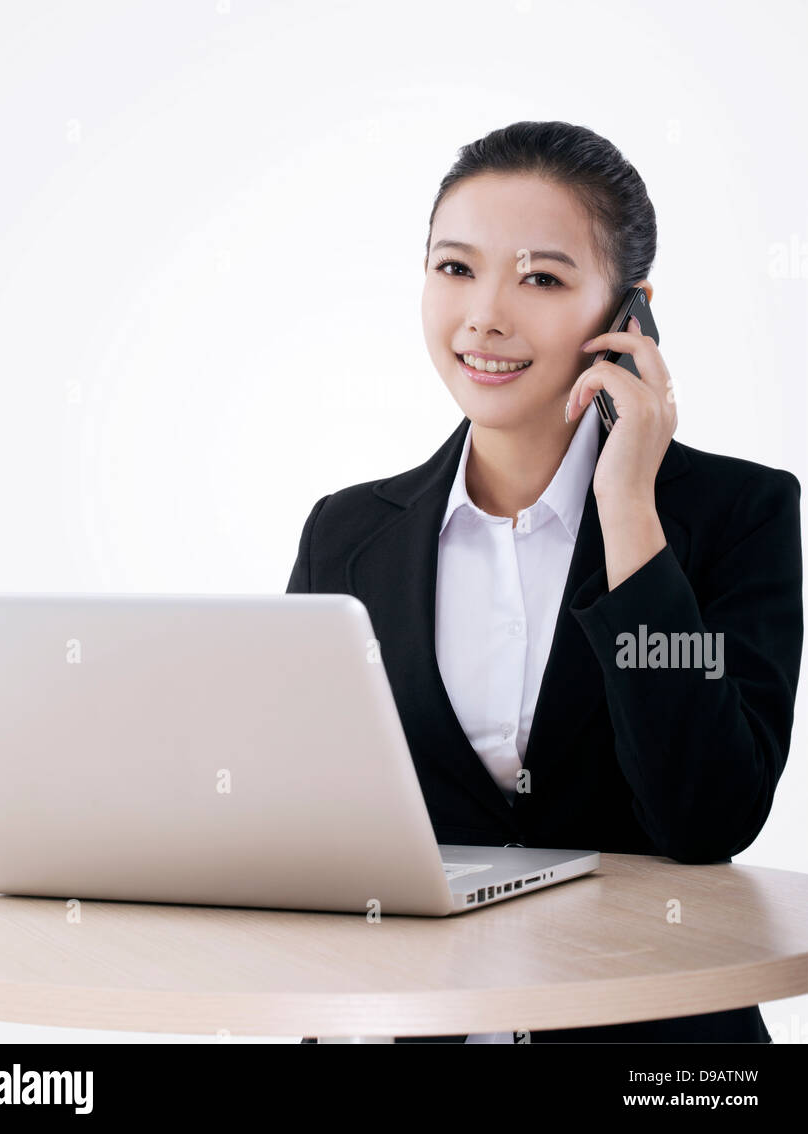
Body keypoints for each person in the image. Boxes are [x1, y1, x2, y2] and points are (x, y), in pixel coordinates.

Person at [290, 120, 803, 1044]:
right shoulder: (349, 537)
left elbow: (707, 816)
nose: (484, 314)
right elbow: (298, 823)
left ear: (628, 315)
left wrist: (630, 511)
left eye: (540, 278)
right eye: (455, 268)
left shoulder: (736, 515)